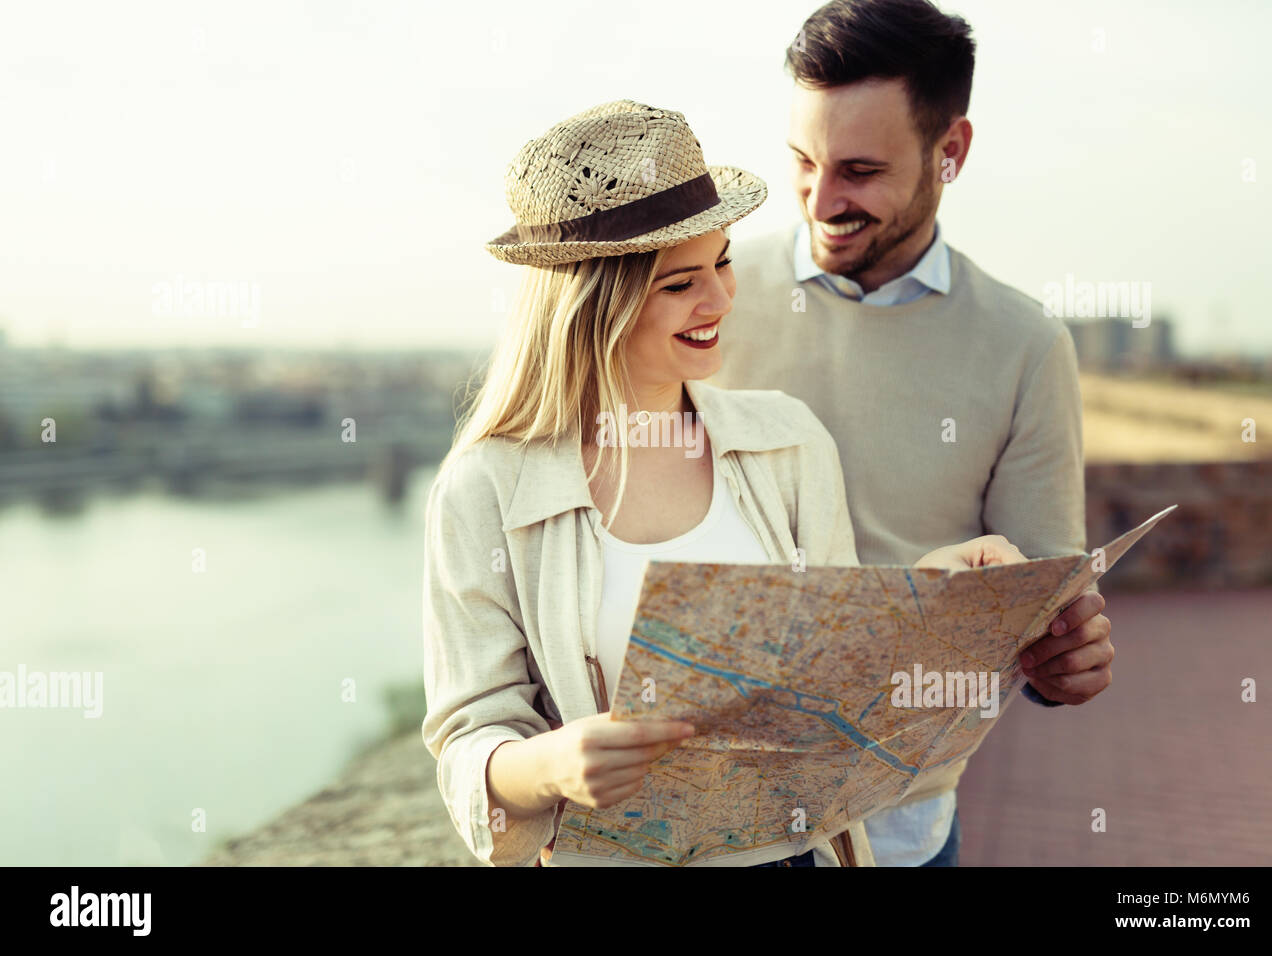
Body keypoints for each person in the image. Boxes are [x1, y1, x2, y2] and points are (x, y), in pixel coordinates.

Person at [421, 98, 1025, 867]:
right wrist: (552, 766)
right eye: (680, 285)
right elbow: (470, 738)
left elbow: (839, 675)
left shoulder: (788, 440)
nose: (720, 301)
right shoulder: (485, 488)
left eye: (723, 262)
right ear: (590, 306)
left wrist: (930, 593)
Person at [705, 0, 1116, 868]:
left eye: (858, 170)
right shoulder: (710, 298)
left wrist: (1061, 659)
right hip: (713, 808)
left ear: (951, 152)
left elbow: (1037, 593)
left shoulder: (1026, 346)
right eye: (803, 161)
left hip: (899, 827)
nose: (822, 199)